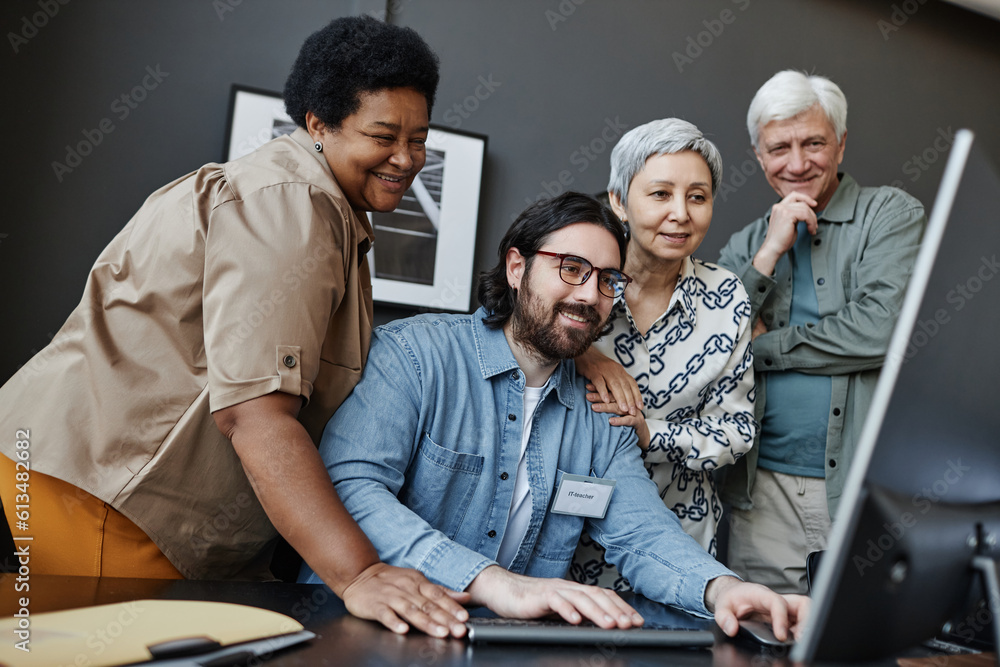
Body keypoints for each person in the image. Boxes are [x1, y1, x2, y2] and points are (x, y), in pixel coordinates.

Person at [0, 16, 472, 638]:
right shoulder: (293, 203)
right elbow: (253, 413)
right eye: (383, 135)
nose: (406, 159)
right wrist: (358, 572)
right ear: (317, 124)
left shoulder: (308, 201)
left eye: (419, 139)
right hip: (104, 498)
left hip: (85, 485)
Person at [300, 192, 809, 640]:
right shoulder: (415, 355)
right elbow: (349, 486)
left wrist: (723, 589)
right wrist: (491, 582)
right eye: (571, 268)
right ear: (517, 268)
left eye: (608, 280)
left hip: (497, 644)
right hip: (357, 627)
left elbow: (642, 533)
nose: (589, 295)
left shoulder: (601, 411)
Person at [716, 70, 927, 593]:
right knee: (764, 647)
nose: (797, 163)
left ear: (841, 143)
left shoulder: (889, 214)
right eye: (779, 147)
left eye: (814, 143)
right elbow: (714, 349)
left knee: (858, 646)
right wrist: (768, 254)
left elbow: (880, 331)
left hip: (860, 488)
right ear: (758, 156)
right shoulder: (745, 246)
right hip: (760, 494)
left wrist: (763, 347)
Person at [568, 119, 756, 591]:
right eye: (660, 194)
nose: (681, 214)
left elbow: (736, 430)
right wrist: (581, 355)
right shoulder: (578, 277)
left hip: (681, 540)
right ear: (618, 201)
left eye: (697, 196)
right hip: (568, 539)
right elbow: (505, 331)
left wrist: (652, 433)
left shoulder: (726, 295)